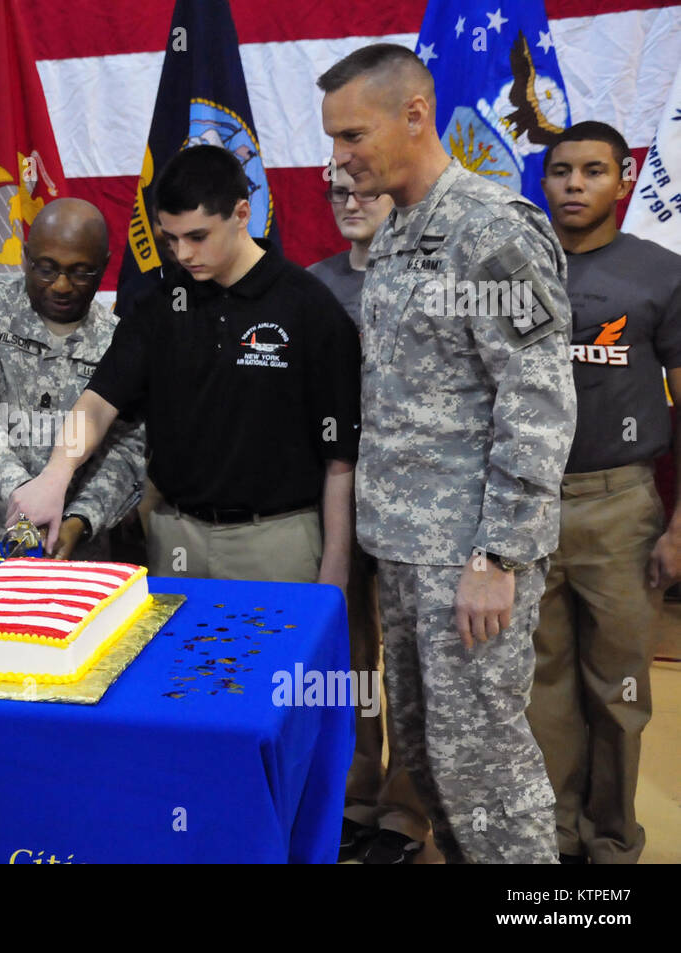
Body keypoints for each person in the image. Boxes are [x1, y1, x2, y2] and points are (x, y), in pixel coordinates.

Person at [318, 44, 576, 863]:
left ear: (415, 115)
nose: (340, 158)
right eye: (332, 138)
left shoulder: (490, 232)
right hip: (402, 550)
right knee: (427, 766)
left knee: (486, 774)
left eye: (353, 134)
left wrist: (497, 553)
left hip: (469, 557)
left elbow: (536, 402)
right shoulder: (396, 236)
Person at [10, 146, 360, 587]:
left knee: (273, 659)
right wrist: (56, 474)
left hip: (276, 540)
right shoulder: (157, 306)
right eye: (170, 239)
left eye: (197, 236)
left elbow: (340, 461)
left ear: (241, 213)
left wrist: (336, 570)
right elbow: (99, 402)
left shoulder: (310, 308)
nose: (183, 253)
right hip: (174, 534)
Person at [531, 121, 681, 864]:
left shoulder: (660, 274)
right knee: (540, 691)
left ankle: (612, 846)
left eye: (593, 171)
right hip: (526, 505)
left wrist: (679, 527)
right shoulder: (513, 269)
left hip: (621, 504)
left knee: (618, 691)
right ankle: (550, 845)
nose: (574, 185)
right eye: (560, 171)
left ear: (624, 179)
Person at [309, 167, 430, 863]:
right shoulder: (314, 285)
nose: (351, 204)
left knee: (410, 657)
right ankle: (352, 793)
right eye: (338, 194)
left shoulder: (425, 277)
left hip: (417, 492)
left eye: (366, 192)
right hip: (334, 487)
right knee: (348, 654)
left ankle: (406, 811)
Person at [0, 198, 144, 558]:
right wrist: (26, 492)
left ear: (105, 266)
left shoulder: (122, 341)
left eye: (81, 272)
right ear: (24, 256)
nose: (62, 285)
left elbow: (128, 450)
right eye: (46, 269)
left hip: (68, 552)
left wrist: (79, 519)